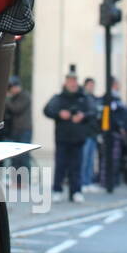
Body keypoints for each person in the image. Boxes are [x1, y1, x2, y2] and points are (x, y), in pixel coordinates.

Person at [43, 70, 91, 202]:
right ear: (66, 82)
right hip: (62, 138)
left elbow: (92, 112)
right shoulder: (58, 98)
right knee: (61, 165)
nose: (73, 83)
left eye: (74, 80)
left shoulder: (83, 98)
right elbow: (47, 110)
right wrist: (59, 114)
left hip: (78, 138)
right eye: (70, 80)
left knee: (76, 166)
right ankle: (57, 190)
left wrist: (83, 116)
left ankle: (76, 191)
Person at [80, 76, 101, 191]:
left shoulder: (94, 98)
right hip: (86, 132)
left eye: (93, 85)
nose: (92, 87)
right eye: (90, 85)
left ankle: (88, 182)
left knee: (91, 160)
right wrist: (92, 113)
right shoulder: (83, 98)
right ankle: (83, 182)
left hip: (93, 132)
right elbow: (85, 113)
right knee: (84, 159)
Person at [3, 76, 32, 141]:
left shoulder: (25, 96)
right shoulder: (14, 97)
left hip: (24, 130)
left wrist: (7, 99)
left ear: (17, 86)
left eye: (11, 87)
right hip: (14, 129)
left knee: (24, 150)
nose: (10, 90)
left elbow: (16, 109)